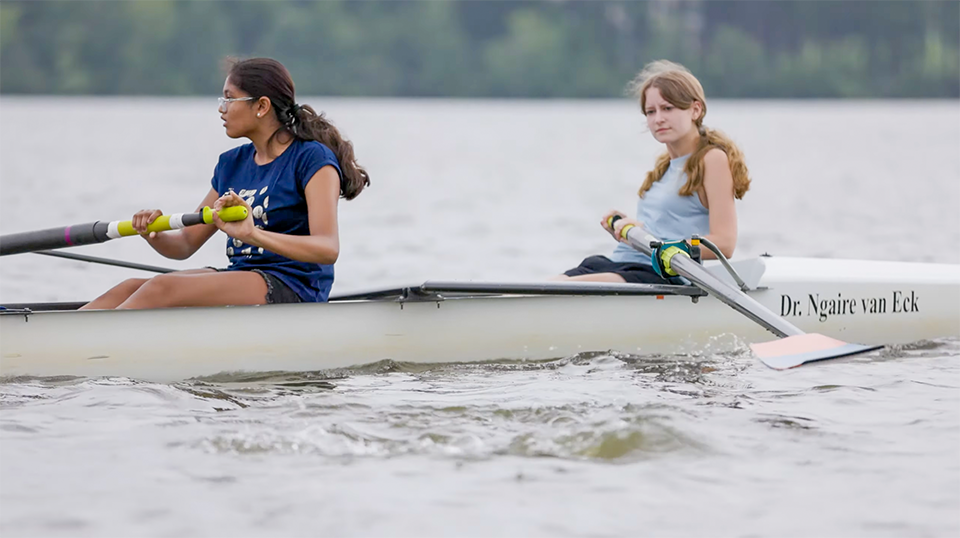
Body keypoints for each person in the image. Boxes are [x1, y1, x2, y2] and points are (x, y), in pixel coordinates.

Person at [81, 57, 369, 310]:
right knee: (130, 286)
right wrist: (153, 235)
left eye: (229, 99)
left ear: (262, 106)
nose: (221, 109)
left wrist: (252, 234)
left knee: (161, 289)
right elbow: (184, 245)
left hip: (294, 286)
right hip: (243, 276)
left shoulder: (312, 159)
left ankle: (85, 353)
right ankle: (61, 347)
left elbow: (327, 248)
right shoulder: (232, 163)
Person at [556, 60, 750, 284]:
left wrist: (672, 246)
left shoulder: (712, 159)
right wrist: (626, 230)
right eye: (651, 111)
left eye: (668, 108)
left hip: (662, 275)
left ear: (695, 110)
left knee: (559, 289)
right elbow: (660, 230)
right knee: (545, 286)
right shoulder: (664, 166)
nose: (658, 119)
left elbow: (725, 244)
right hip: (621, 263)